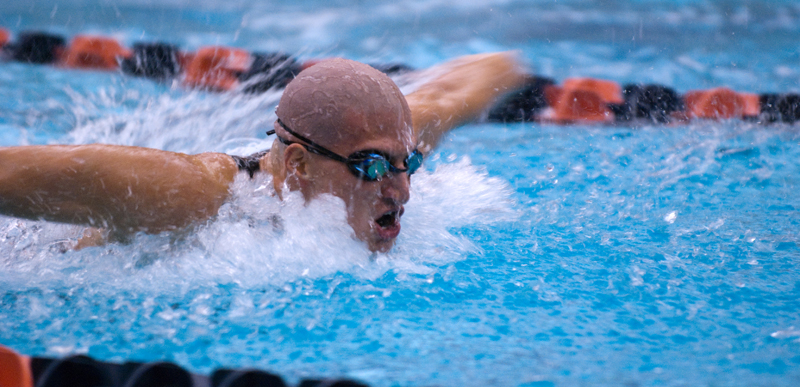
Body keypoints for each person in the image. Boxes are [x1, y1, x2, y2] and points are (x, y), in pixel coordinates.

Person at [0, 52, 526, 252]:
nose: (402, 187)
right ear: (296, 164)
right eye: (370, 168)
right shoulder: (192, 195)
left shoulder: (386, 141)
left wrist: (511, 63)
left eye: (406, 163)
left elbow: (459, 89)